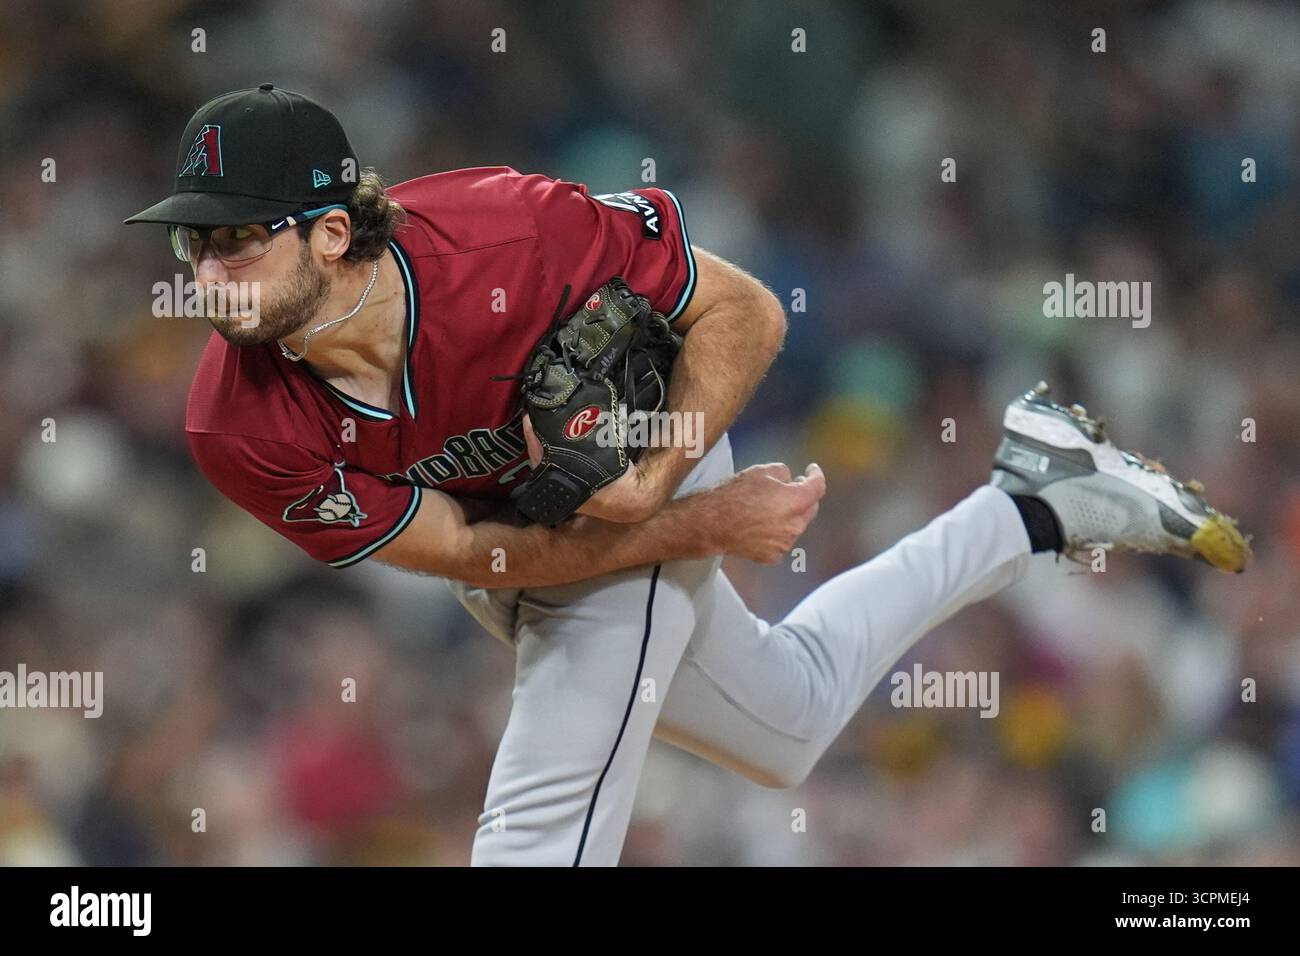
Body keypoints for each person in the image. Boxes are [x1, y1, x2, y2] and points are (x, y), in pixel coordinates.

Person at [125, 85, 1251, 866]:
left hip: (641, 442)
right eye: (194, 243)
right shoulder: (237, 424)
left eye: (236, 239)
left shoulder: (504, 235)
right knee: (789, 721)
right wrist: (698, 524)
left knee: (543, 805)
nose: (208, 269)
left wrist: (663, 482)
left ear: (329, 233)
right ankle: (1035, 498)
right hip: (531, 538)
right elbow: (471, 552)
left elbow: (742, 307)